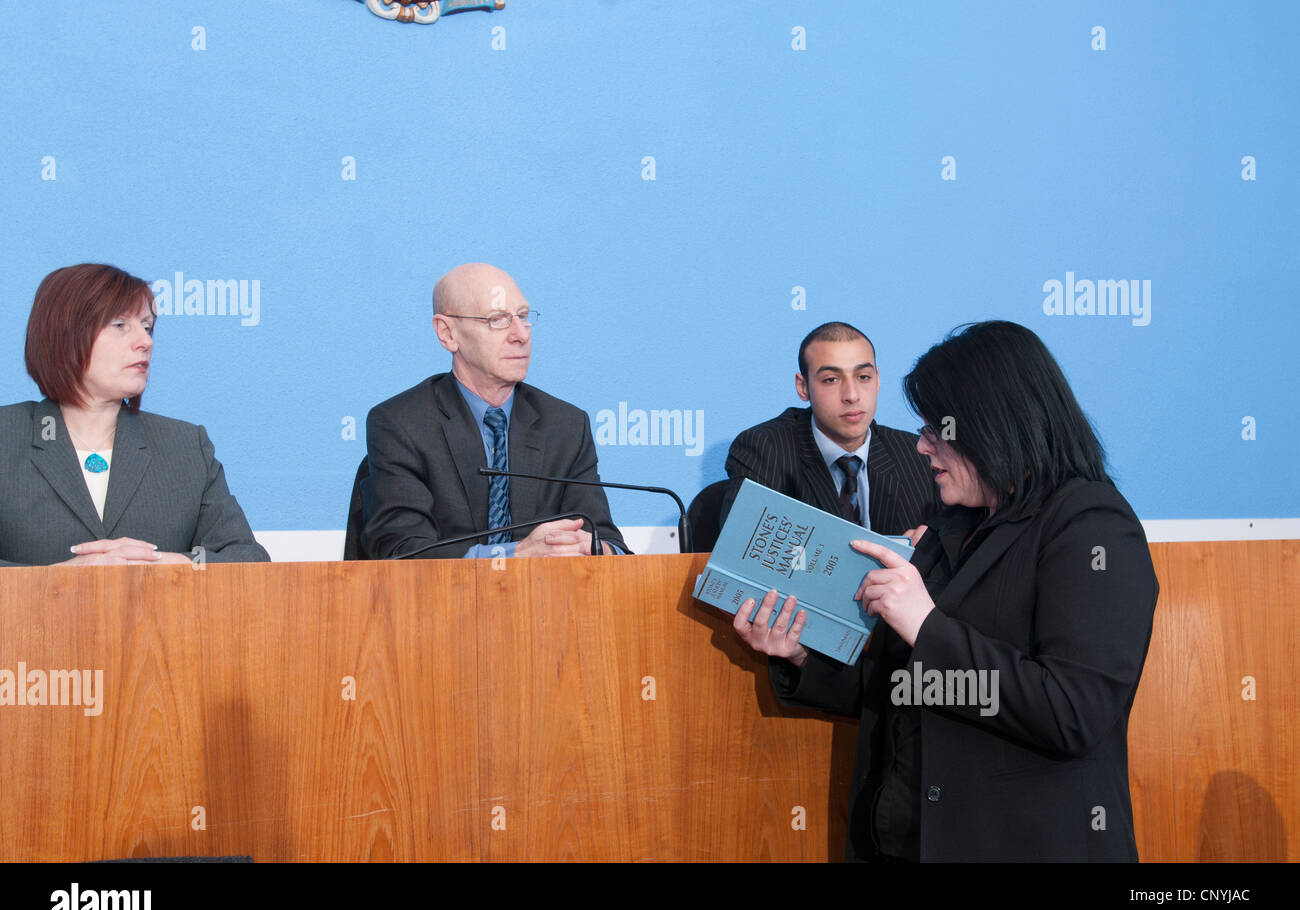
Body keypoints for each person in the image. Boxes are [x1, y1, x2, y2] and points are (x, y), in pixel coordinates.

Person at [732, 321, 1158, 862]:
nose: (921, 447)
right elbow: (894, 685)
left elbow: (1073, 711)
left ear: (994, 426)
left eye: (937, 430)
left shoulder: (1092, 526)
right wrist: (797, 650)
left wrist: (927, 625)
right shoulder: (951, 525)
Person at [0, 264, 269, 567]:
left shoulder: (185, 446)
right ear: (65, 333)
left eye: (147, 326)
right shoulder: (6, 437)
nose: (145, 341)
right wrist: (58, 580)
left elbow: (247, 559)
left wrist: (170, 565)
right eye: (120, 325)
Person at [362, 263, 628, 559]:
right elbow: (402, 552)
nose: (521, 335)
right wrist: (512, 555)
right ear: (448, 333)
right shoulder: (403, 424)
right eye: (498, 320)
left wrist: (595, 549)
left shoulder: (565, 425)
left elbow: (607, 540)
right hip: (445, 603)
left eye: (524, 317)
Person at [719, 322, 939, 538]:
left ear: (878, 380)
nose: (852, 395)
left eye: (863, 377)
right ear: (803, 387)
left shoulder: (918, 454)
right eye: (831, 380)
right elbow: (744, 552)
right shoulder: (765, 449)